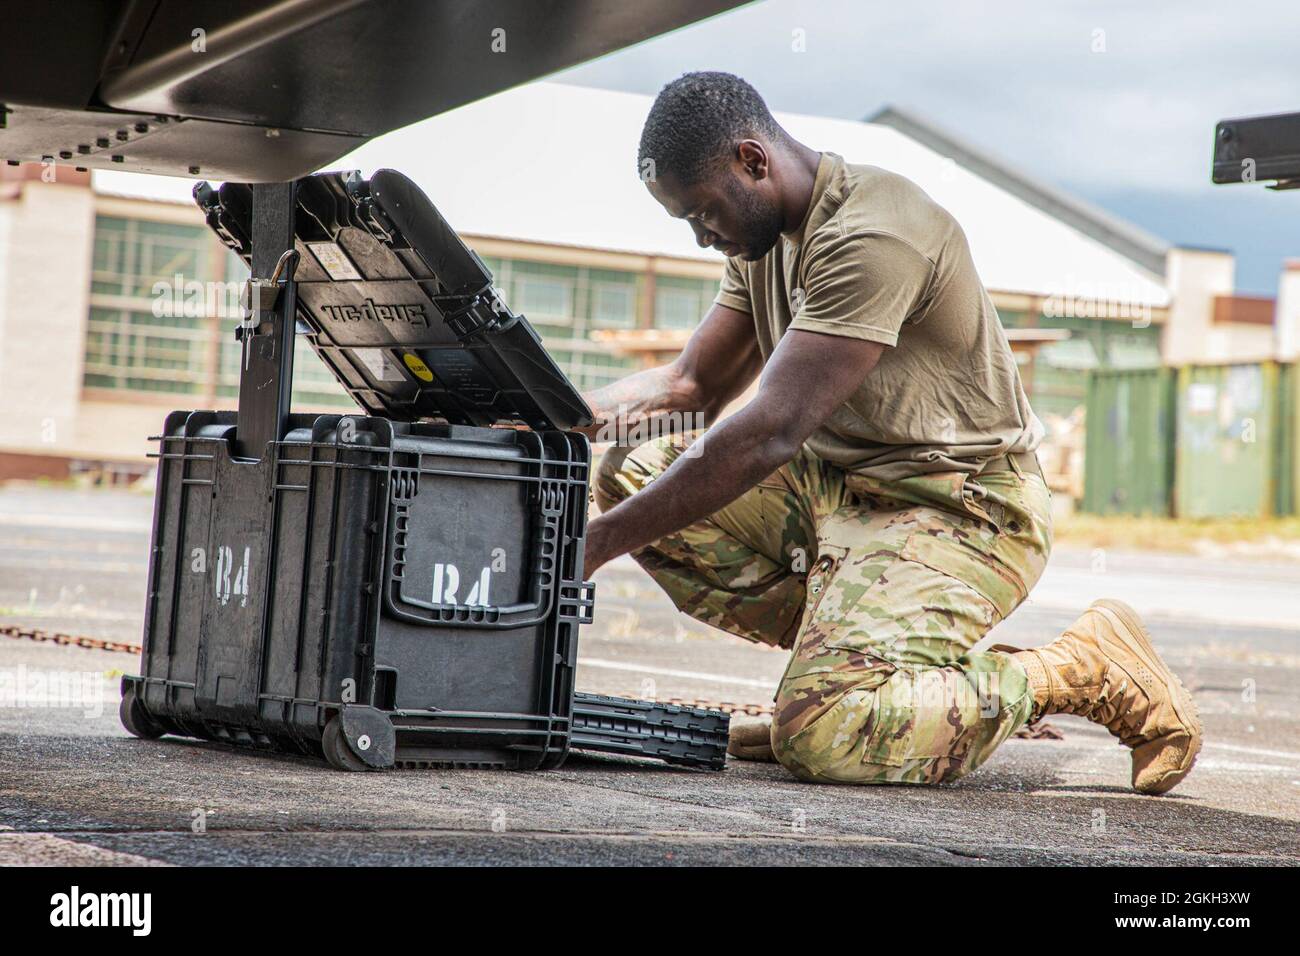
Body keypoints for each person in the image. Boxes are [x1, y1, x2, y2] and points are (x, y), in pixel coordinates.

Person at [580, 72, 1200, 793]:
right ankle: (870, 678)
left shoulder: (874, 231)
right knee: (630, 471)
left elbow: (769, 432)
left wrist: (599, 544)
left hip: (962, 508)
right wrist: (538, 415)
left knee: (822, 740)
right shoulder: (761, 244)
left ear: (753, 161)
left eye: (703, 213)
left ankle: (1078, 668)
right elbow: (690, 389)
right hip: (842, 493)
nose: (699, 236)